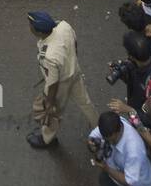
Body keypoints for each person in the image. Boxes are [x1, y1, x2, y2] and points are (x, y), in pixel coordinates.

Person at [26, 11, 98, 149]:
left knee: (54, 113)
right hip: (74, 71)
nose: (29, 27)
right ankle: (99, 128)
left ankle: (47, 138)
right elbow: (75, 44)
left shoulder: (48, 55)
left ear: (39, 32)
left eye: (31, 26)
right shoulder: (64, 26)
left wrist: (49, 102)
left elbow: (53, 84)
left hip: (60, 83)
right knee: (85, 102)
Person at [87, 108, 151, 186]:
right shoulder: (114, 124)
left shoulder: (133, 150)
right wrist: (91, 143)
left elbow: (129, 181)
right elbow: (95, 135)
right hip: (124, 179)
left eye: (108, 138)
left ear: (117, 132)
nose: (105, 140)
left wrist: (106, 168)